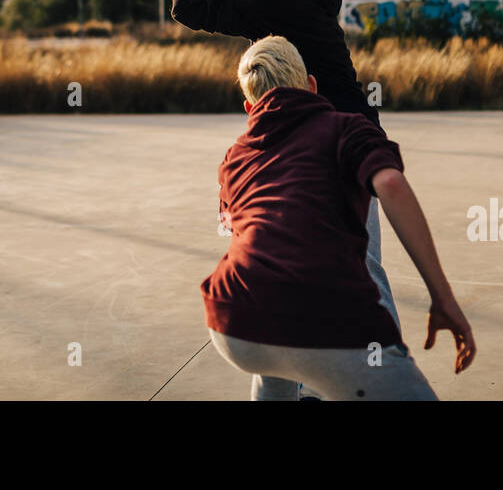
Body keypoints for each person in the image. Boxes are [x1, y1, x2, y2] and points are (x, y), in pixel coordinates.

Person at [171, 0, 398, 399]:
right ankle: (321, 384)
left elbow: (188, 6)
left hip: (342, 149)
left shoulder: (285, 0)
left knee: (360, 270)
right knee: (303, 272)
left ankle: (383, 380)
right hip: (302, 151)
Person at [203, 35, 475, 400]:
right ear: (312, 86)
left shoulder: (235, 156)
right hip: (326, 317)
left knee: (278, 353)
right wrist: (443, 298)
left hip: (234, 321)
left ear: (249, 107)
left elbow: (240, 232)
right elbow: (391, 182)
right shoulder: (344, 126)